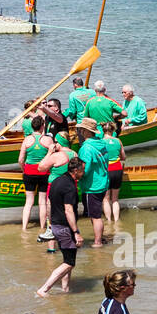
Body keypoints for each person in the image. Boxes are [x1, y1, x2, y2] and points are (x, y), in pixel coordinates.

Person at [37, 156, 84, 297]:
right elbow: (68, 210)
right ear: (75, 171)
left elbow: (49, 204)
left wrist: (50, 225)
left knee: (67, 259)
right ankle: (44, 289)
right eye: (83, 170)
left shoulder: (57, 181)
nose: (84, 173)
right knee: (69, 263)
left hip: (56, 225)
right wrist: (76, 232)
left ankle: (65, 290)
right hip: (65, 227)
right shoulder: (70, 186)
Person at [75, 117, 108, 246]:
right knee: (96, 214)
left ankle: (97, 242)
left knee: (95, 216)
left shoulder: (86, 148)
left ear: (85, 131)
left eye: (81, 129)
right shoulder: (101, 143)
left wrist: (76, 178)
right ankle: (100, 237)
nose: (79, 132)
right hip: (103, 181)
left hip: (92, 186)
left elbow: (84, 169)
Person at [18, 120, 52, 232]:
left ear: (32, 127)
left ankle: (24, 227)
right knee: (42, 201)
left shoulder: (27, 140)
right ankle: (42, 227)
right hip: (44, 172)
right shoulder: (48, 139)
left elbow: (20, 159)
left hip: (29, 172)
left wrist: (24, 169)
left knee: (28, 202)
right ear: (43, 126)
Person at [102, 124, 124, 225]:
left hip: (106, 170)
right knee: (115, 199)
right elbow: (123, 157)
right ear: (113, 130)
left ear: (103, 130)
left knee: (106, 199)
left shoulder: (101, 142)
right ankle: (116, 220)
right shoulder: (118, 141)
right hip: (117, 169)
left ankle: (109, 222)